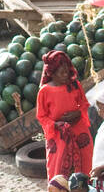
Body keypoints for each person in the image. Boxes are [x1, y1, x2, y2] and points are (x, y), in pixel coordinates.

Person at [36, 49, 91, 183]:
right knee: (58, 169)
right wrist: (55, 124)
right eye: (62, 73)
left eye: (67, 71)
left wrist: (77, 113)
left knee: (87, 163)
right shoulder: (45, 91)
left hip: (79, 130)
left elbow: (84, 104)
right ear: (52, 73)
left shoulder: (75, 85)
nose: (66, 75)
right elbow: (41, 116)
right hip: (58, 135)